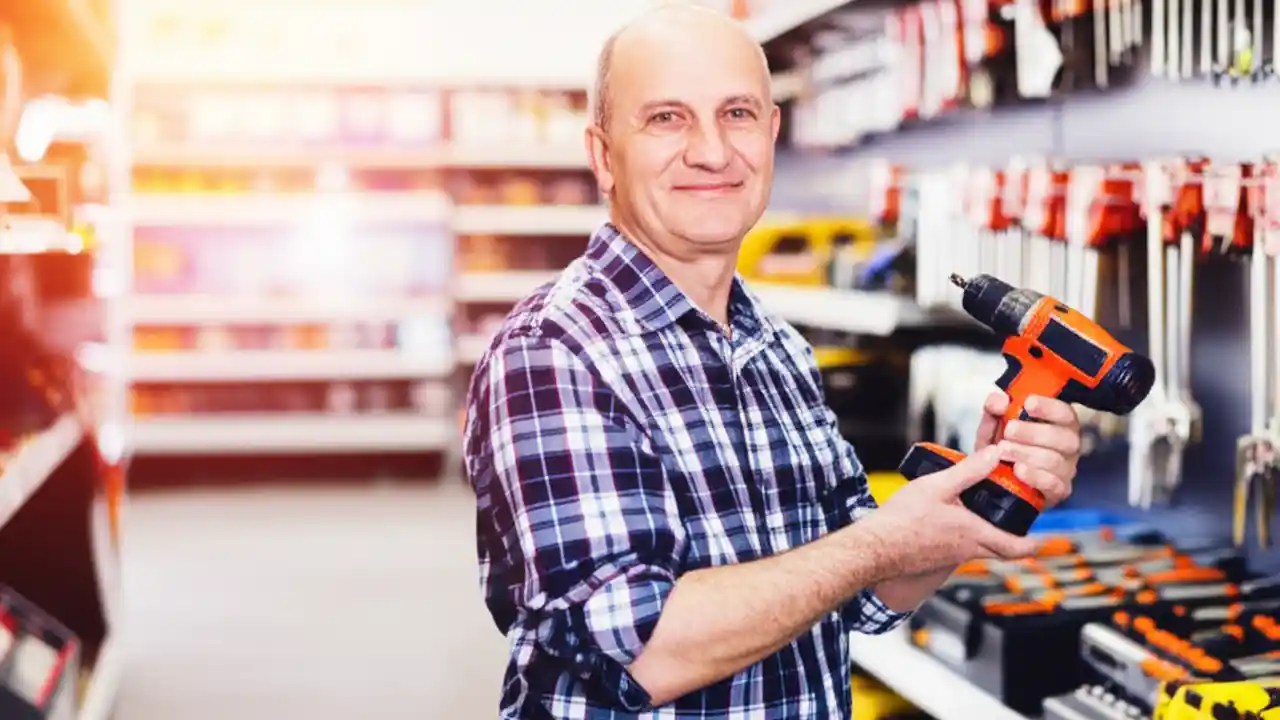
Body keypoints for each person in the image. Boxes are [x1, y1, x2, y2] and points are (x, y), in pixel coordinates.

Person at [463, 5, 1083, 719]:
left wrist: (986, 482)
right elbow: (639, 651)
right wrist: (876, 544)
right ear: (604, 155)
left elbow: (862, 595)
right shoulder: (556, 351)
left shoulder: (775, 345)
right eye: (667, 118)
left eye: (737, 113)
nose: (711, 151)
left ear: (771, 132)